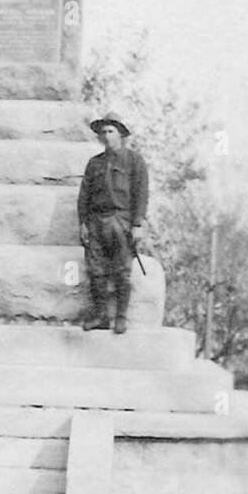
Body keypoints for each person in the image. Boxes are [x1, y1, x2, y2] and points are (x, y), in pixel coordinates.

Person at [77, 113, 149, 334]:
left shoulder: (134, 160)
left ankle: (121, 316)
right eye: (103, 132)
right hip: (97, 220)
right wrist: (83, 223)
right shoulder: (94, 163)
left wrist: (137, 224)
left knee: (122, 271)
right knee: (96, 271)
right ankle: (101, 316)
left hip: (122, 220)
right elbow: (84, 196)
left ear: (121, 135)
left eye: (110, 131)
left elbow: (141, 193)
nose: (106, 136)